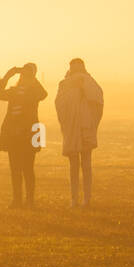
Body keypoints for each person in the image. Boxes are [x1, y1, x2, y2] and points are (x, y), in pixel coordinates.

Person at [0, 63, 47, 209]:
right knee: (15, 168)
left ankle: (29, 200)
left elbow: (44, 94)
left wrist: (32, 78)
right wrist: (7, 76)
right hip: (13, 132)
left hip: (29, 132)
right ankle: (17, 200)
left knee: (28, 168)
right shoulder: (14, 91)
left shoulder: (33, 91)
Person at [54, 58, 104, 208]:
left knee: (86, 165)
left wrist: (83, 88)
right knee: (74, 165)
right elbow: (59, 105)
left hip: (84, 127)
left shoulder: (87, 81)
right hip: (72, 128)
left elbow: (97, 101)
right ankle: (75, 199)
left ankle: (86, 200)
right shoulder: (65, 84)